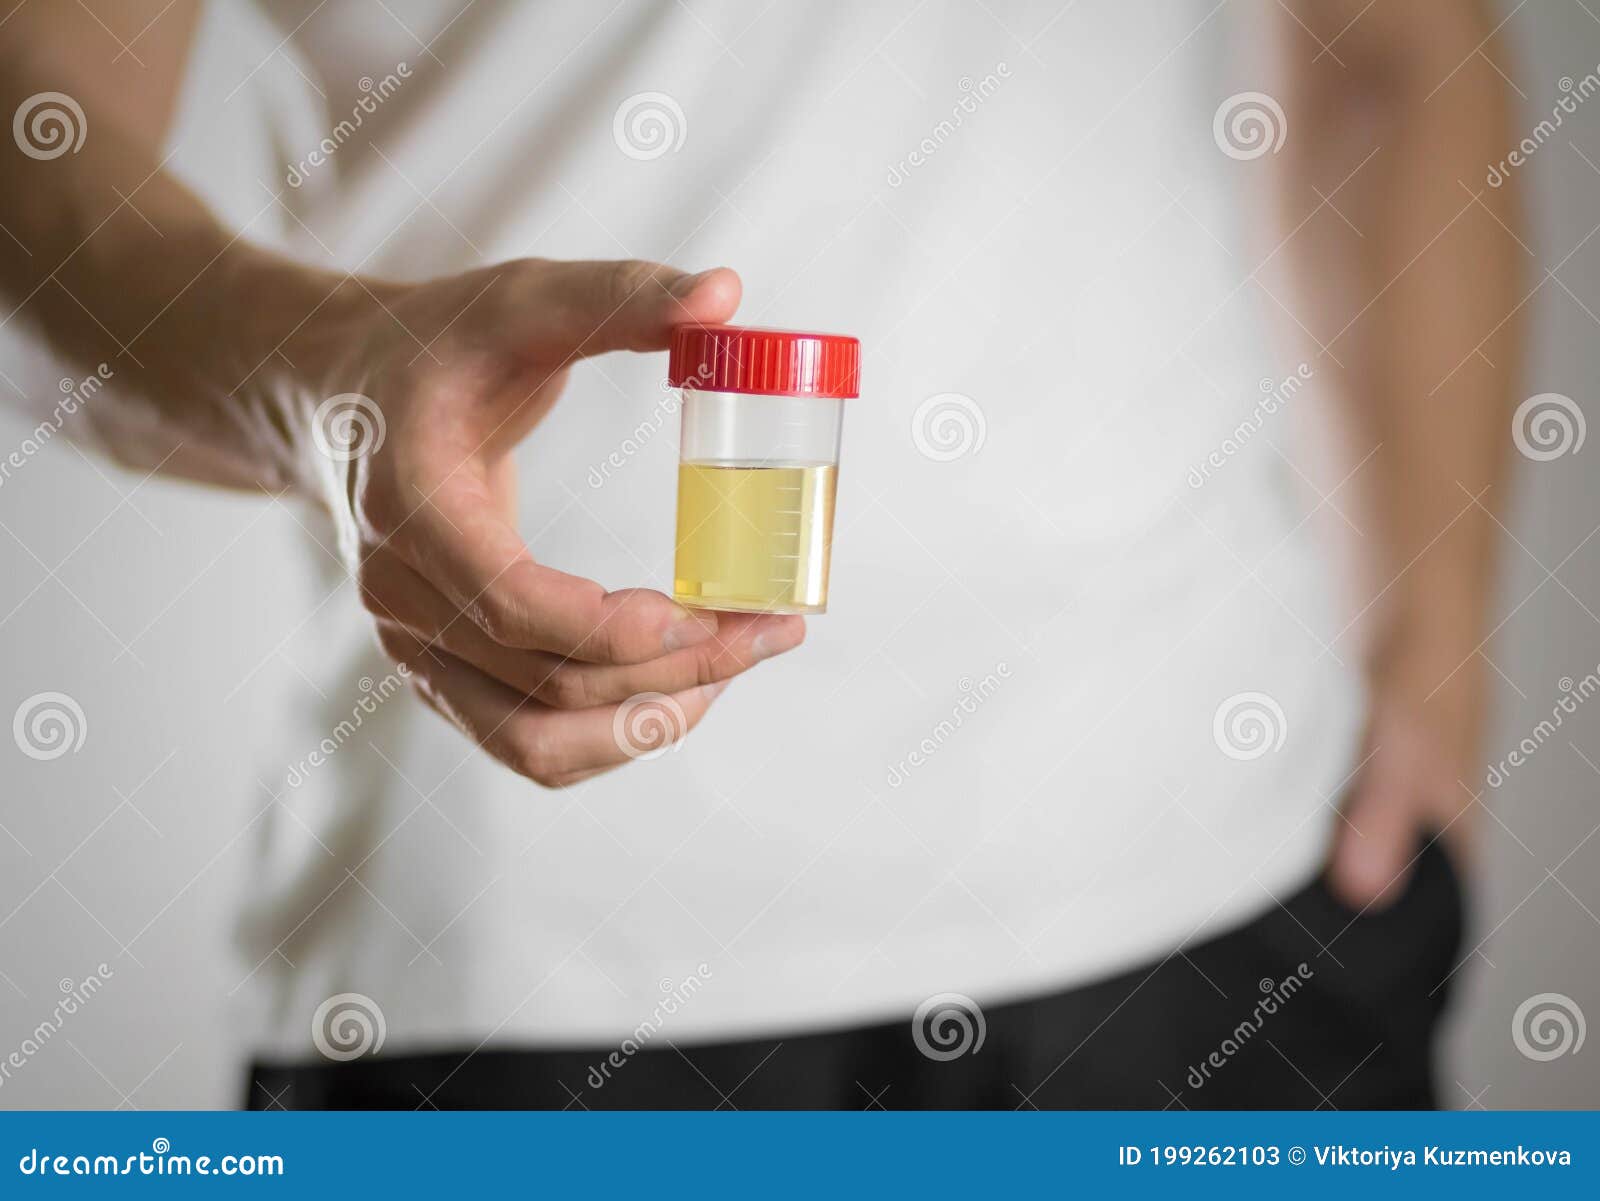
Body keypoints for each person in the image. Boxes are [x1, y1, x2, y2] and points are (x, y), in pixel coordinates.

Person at [0, 0, 1518, 1108]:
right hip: (522, 951)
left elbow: (1397, 47)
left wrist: (1436, 655)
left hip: (1217, 867)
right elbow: (38, 125)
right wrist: (318, 381)